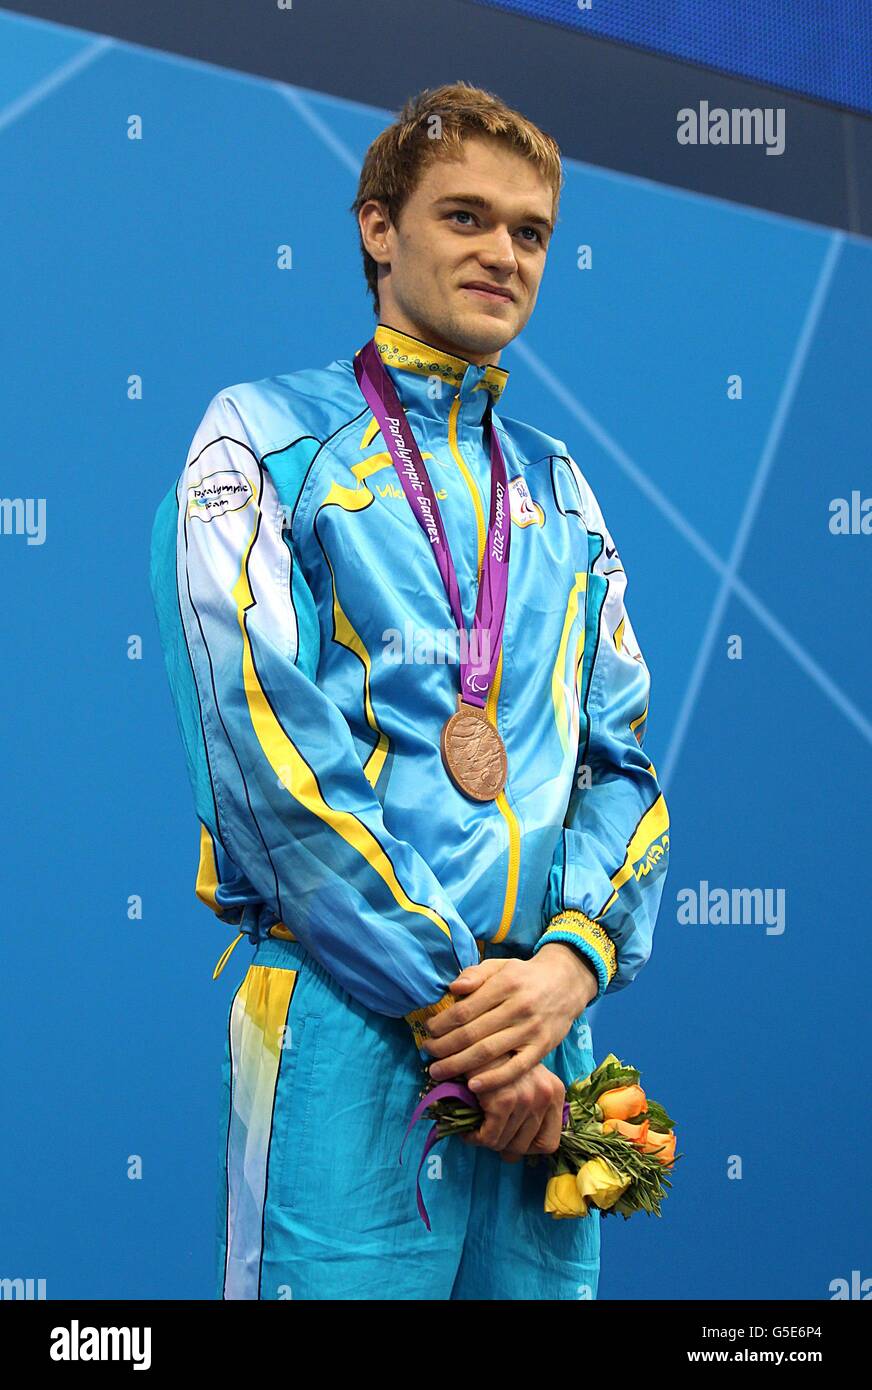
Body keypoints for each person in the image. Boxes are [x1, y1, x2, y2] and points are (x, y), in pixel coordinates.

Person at [149, 80, 670, 1301]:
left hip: (545, 1044)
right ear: (378, 226)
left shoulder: (565, 493)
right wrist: (462, 1015)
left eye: (529, 231)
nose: (502, 253)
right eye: (465, 217)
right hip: (356, 1022)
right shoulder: (261, 438)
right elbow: (269, 770)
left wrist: (568, 968)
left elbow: (622, 771)